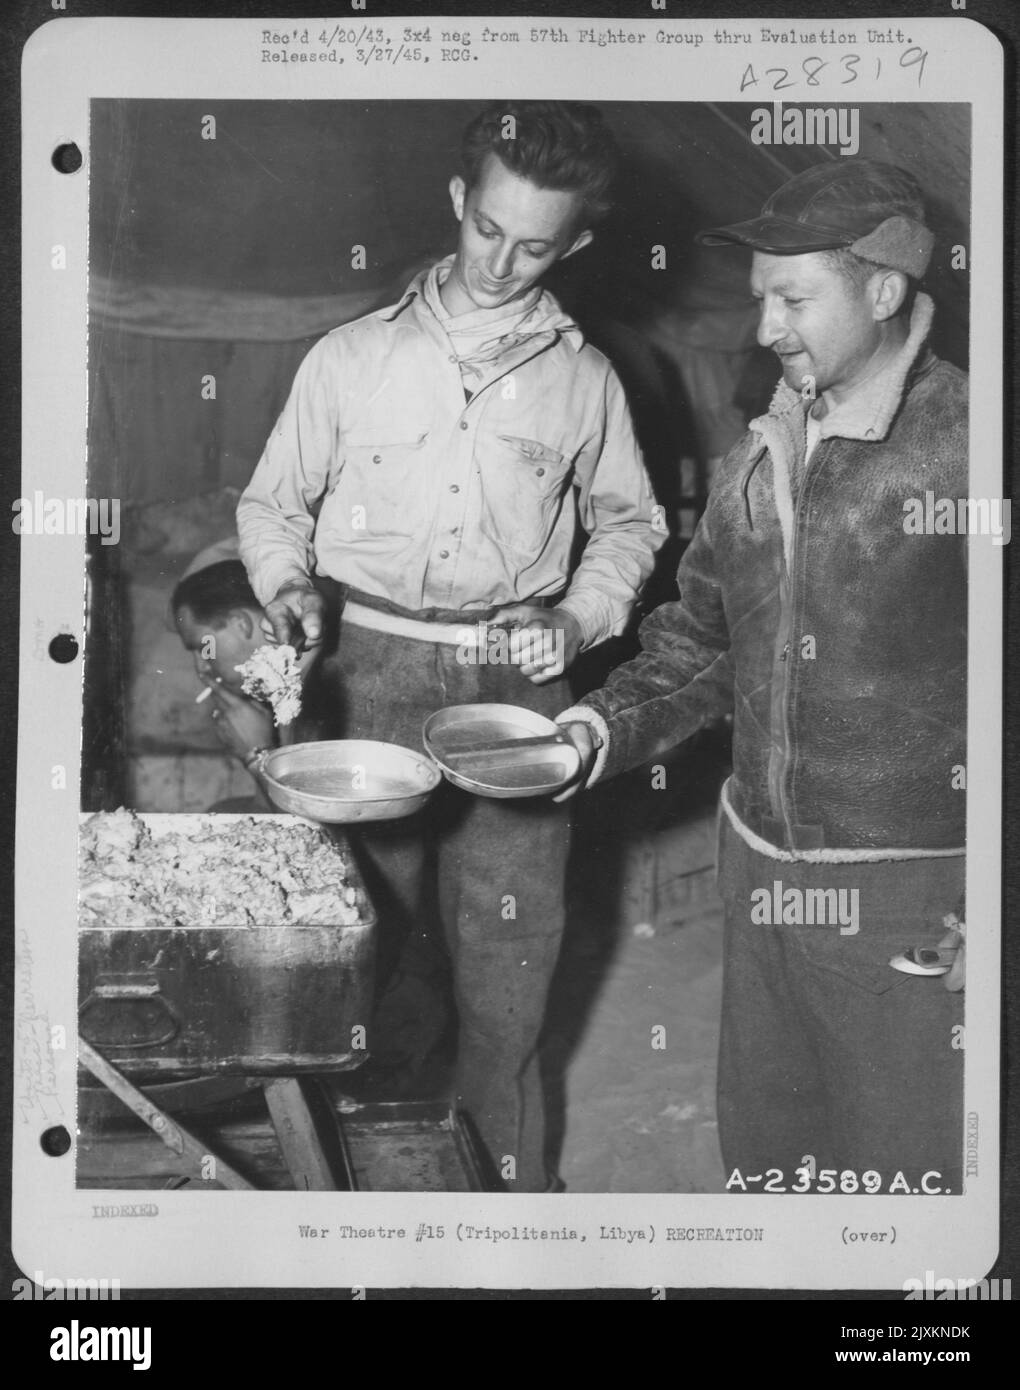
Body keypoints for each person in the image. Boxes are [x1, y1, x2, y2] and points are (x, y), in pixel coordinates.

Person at [236, 101, 665, 1191]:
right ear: (458, 203)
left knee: (510, 959)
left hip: (514, 685)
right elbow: (273, 506)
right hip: (363, 667)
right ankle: (335, 1187)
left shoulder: (587, 382)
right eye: (488, 228)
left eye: (535, 245)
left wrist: (575, 619)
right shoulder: (350, 358)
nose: (503, 262)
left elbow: (633, 525)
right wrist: (289, 591)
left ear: (573, 244)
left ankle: (503, 1198)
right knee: (346, 944)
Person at [558, 159, 968, 1192]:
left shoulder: (970, 452)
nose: (765, 330)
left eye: (794, 299)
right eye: (758, 302)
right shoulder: (759, 453)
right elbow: (701, 642)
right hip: (762, 863)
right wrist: (597, 730)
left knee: (904, 1171)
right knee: (773, 1155)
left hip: (912, 883)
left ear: (882, 289)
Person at [171, 559, 327, 791]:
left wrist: (257, 754)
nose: (201, 667)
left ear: (240, 623)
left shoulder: (319, 694)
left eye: (204, 648)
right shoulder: (292, 684)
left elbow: (315, 824)